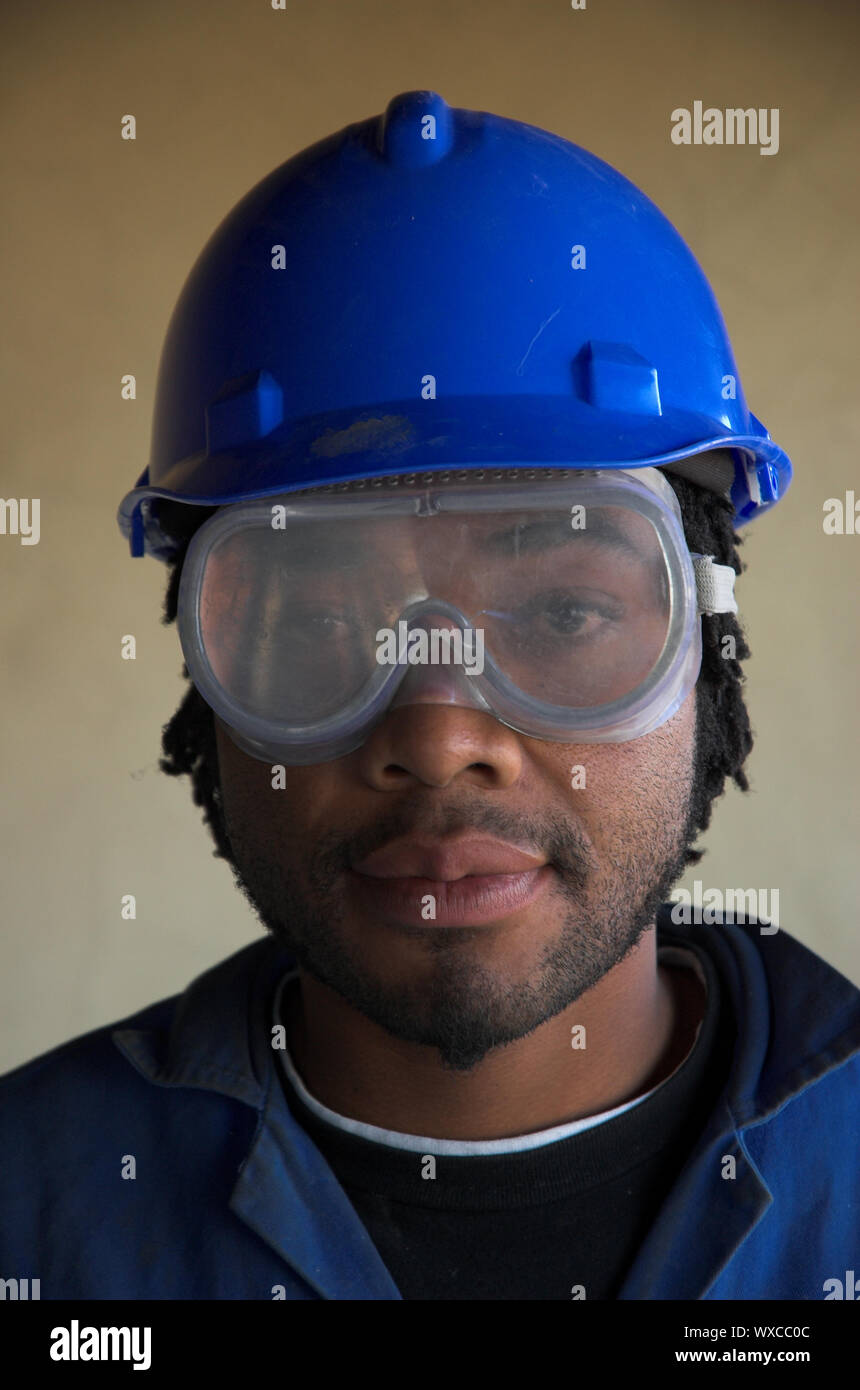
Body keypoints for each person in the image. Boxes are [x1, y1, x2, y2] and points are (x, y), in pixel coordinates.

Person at [2, 90, 857, 1303]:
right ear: (207, 681)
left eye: (562, 614)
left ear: (705, 646)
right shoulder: (31, 1217)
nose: (439, 736)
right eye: (313, 623)